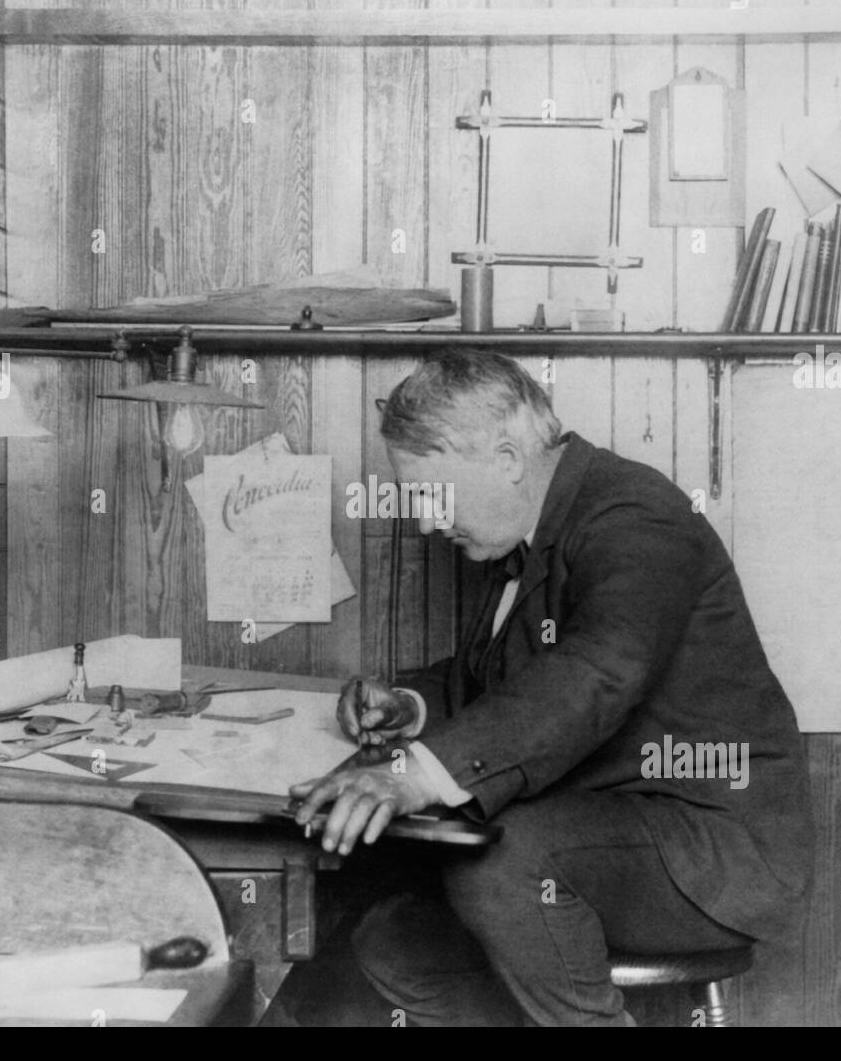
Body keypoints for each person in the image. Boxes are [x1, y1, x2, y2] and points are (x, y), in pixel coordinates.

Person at [289, 350, 814, 1026]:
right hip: (612, 820)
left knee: (500, 860)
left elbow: (596, 672)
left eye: (431, 495)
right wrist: (408, 707)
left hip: (713, 844)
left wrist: (419, 774)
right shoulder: (528, 534)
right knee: (390, 931)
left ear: (507, 457)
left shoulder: (634, 513)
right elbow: (508, 683)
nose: (423, 521)